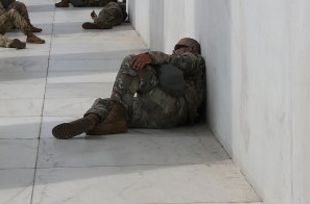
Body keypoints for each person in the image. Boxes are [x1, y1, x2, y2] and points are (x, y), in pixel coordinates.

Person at [52, 37, 206, 139]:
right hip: (160, 116)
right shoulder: (170, 60)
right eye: (176, 47)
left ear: (192, 49)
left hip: (177, 108)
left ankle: (115, 116)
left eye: (182, 47)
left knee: (132, 62)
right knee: (107, 103)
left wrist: (151, 57)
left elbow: (182, 61)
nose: (178, 50)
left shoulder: (195, 61)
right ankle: (92, 120)